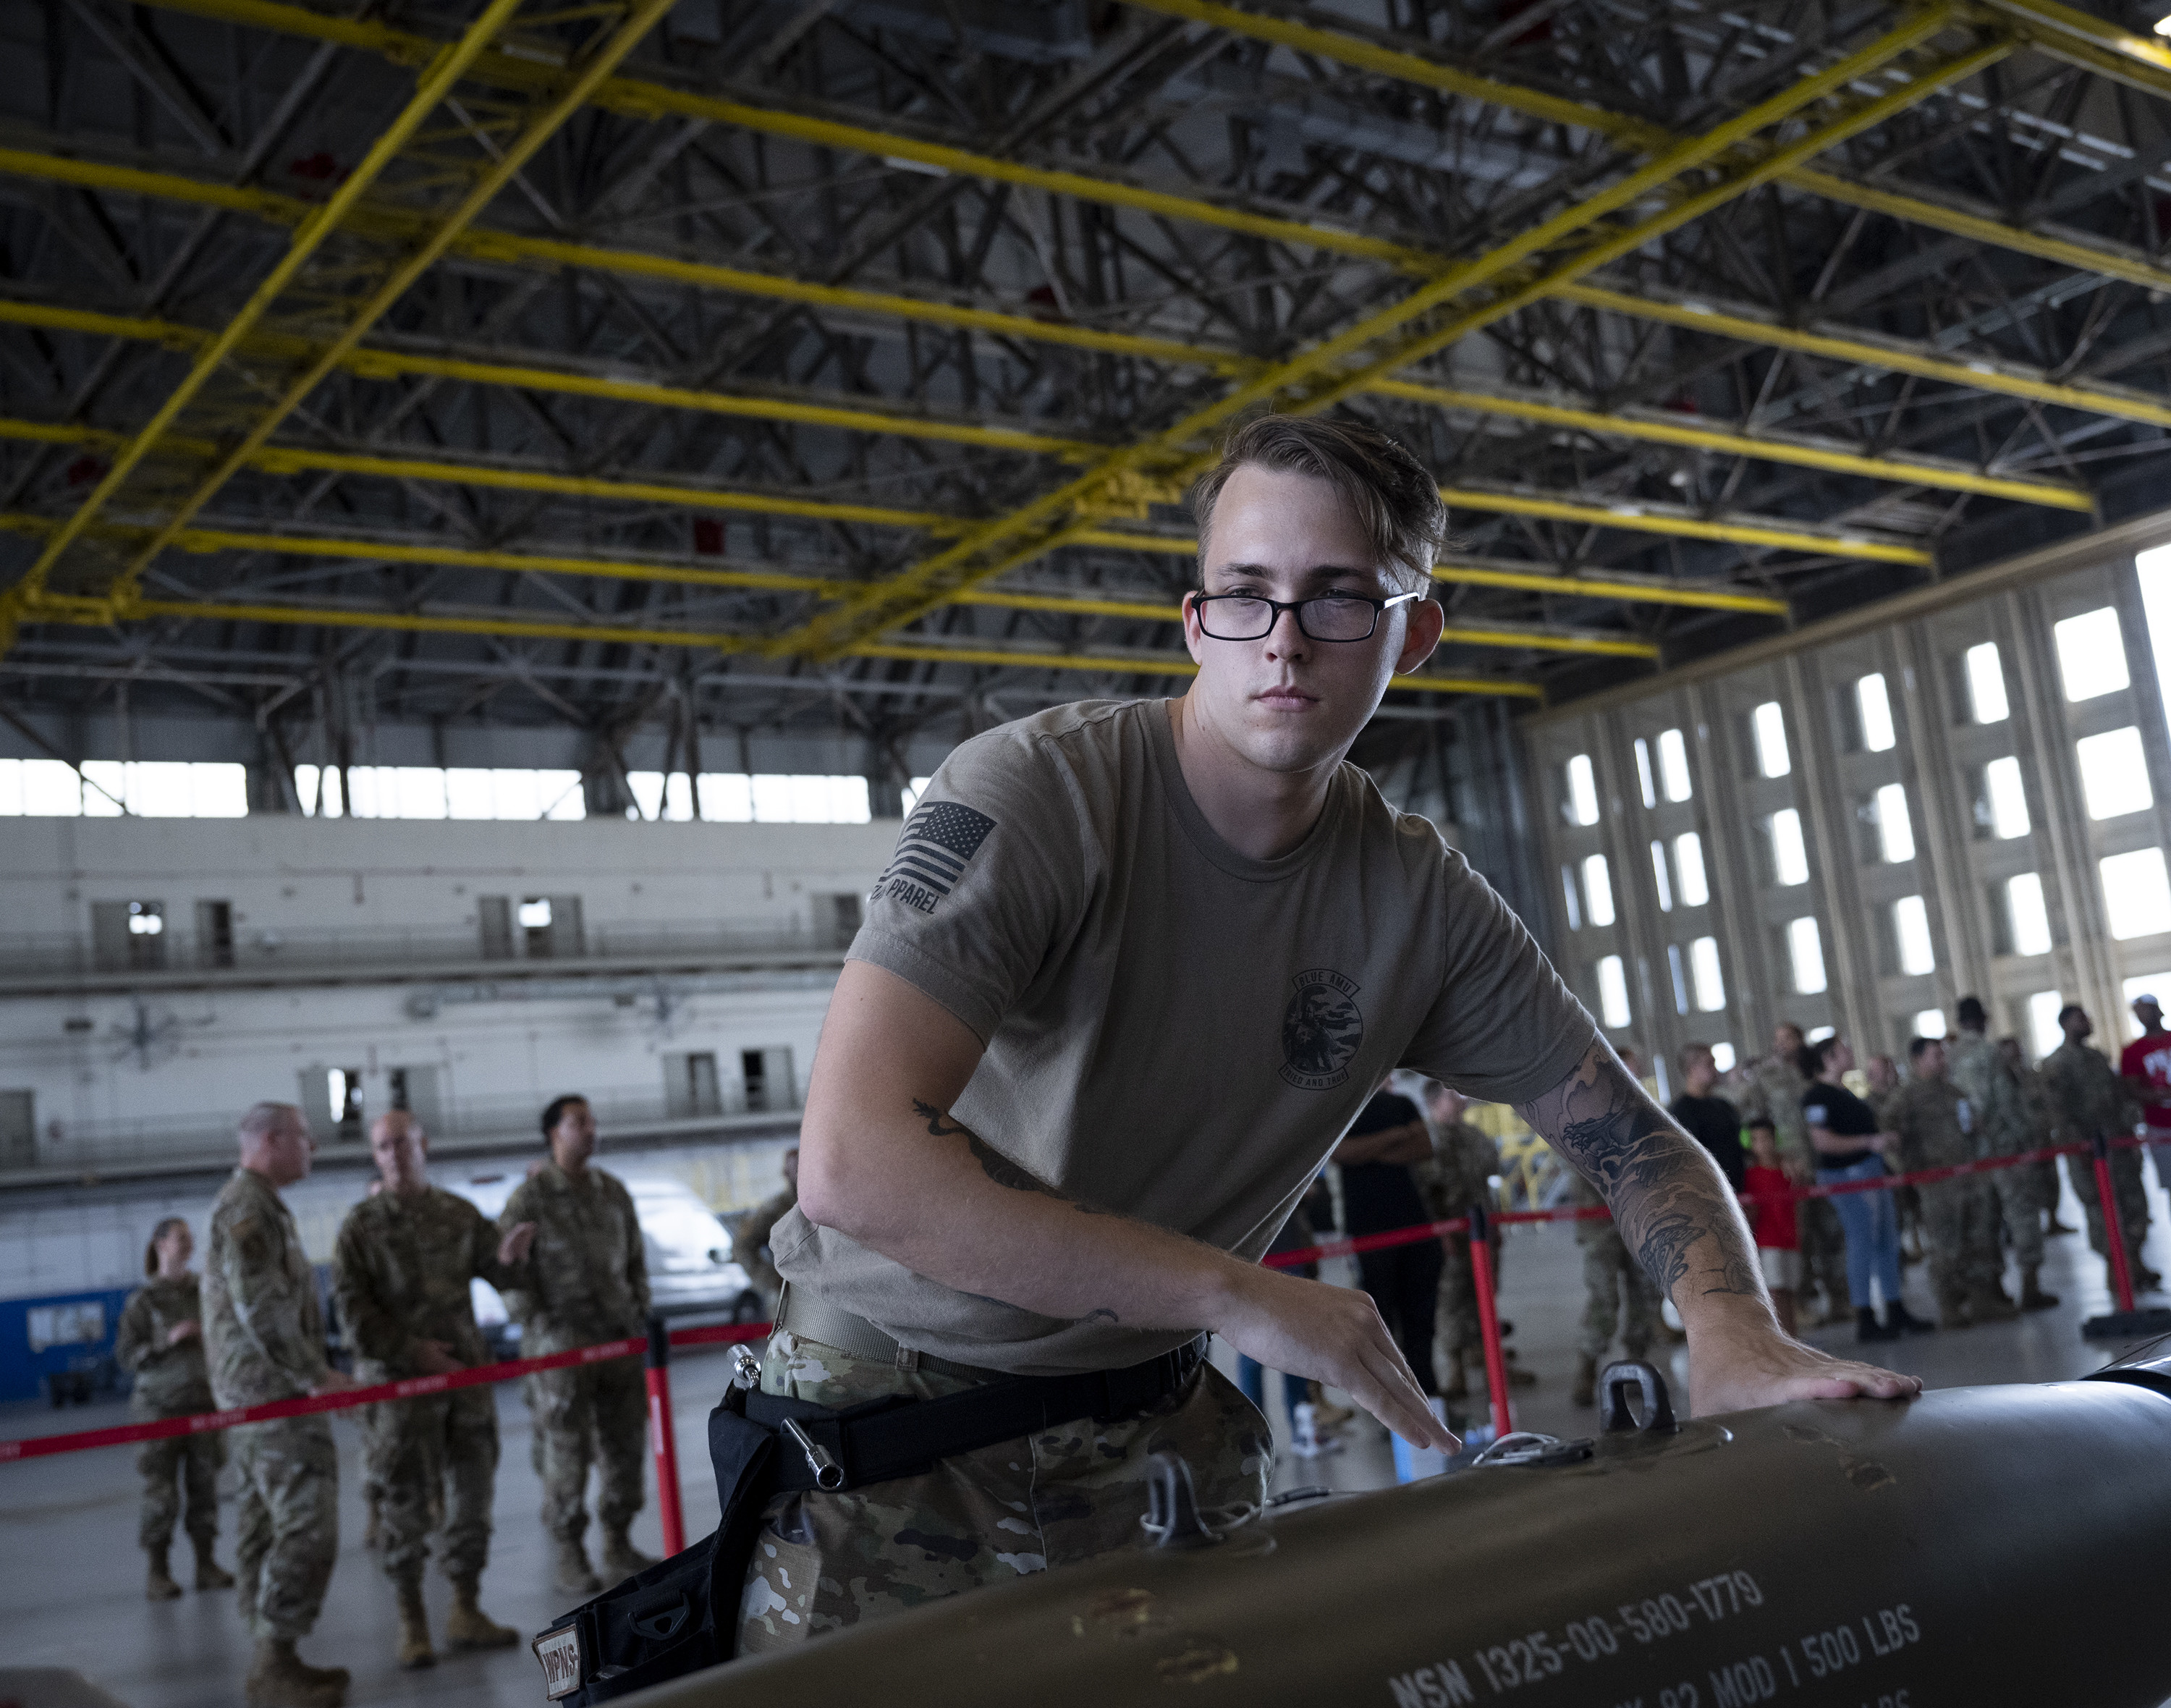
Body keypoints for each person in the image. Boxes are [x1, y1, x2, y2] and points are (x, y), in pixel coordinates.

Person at [746, 415, 1916, 1652]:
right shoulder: (1040, 794)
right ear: (1198, 622)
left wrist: (1730, 1331)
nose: (1287, 640)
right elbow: (856, 1161)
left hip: (1159, 1439)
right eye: (1247, 596)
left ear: (1412, 632)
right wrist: (1239, 1296)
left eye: (1339, 597)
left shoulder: (1416, 898)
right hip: (895, 1440)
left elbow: (1633, 1138)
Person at [331, 1111, 538, 1669]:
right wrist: (411, 1353)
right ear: (375, 1157)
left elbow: (502, 1275)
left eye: (402, 1143)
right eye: (382, 1147)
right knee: (404, 1509)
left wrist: (515, 1257)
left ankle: (465, 1609)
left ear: (423, 1145)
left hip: (465, 1384)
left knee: (472, 1499)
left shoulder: (457, 1214)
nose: (394, 1154)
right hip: (401, 1393)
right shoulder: (360, 1226)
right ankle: (411, 1623)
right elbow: (353, 1316)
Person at [202, 1102, 360, 1708]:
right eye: (303, 1137)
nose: (313, 1146)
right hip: (274, 1394)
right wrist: (316, 1375)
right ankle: (272, 1663)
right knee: (307, 1523)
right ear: (270, 1141)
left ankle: (275, 1659)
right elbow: (260, 1309)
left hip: (260, 1393)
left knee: (264, 1526)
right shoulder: (249, 1208)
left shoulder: (258, 1204)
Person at [499, 1094, 655, 1596]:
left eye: (591, 1121)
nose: (590, 1129)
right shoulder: (531, 1199)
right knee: (568, 1451)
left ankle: (619, 1541)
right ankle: (569, 1553)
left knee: (625, 1443)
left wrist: (638, 1313)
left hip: (618, 1338)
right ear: (554, 1133)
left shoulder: (612, 1192)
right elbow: (509, 1274)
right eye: (578, 1122)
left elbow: (635, 1261)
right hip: (562, 1348)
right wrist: (538, 1328)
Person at [115, 1217, 234, 1601]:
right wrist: (167, 1341)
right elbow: (126, 1356)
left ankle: (206, 1565)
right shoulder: (143, 1301)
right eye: (180, 1238)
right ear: (161, 1244)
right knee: (161, 1494)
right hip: (158, 1411)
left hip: (203, 1404)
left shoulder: (206, 1291)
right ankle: (158, 1573)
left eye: (190, 1238)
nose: (188, 1244)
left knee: (205, 1489)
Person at [1800, 1037, 1931, 1341]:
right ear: (1829, 1058)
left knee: (1887, 1238)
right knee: (1861, 1241)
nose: (1850, 1052)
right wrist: (1870, 1143)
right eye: (1843, 1049)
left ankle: (1895, 1307)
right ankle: (1865, 1315)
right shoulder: (1817, 1096)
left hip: (1871, 1171)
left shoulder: (1846, 1093)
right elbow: (1823, 1142)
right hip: (1845, 1176)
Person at [1887, 1037, 2013, 1329]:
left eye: (1942, 1055)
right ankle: (1950, 1304)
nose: (1942, 1060)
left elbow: (1970, 1125)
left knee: (1979, 1239)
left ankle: (1982, 1299)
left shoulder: (1953, 1091)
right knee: (1946, 1244)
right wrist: (1909, 1171)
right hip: (1937, 1184)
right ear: (1917, 1060)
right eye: (1934, 1056)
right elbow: (1889, 1134)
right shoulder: (1906, 1096)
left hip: (1968, 1177)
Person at [1334, 1084, 1444, 1397]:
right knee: (1379, 1321)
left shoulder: (1402, 1103)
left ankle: (1427, 1393)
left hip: (1414, 1226)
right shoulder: (1343, 1105)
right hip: (1369, 1232)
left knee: (1421, 1316)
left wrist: (1366, 1152)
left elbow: (1424, 1147)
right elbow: (1341, 1153)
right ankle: (1391, 1397)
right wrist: (1393, 1137)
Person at [1738, 1023, 1849, 1325]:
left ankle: (1841, 1299)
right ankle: (1800, 1304)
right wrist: (1779, 1155)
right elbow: (1755, 1124)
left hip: (1823, 1165)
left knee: (1831, 1232)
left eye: (1789, 1038)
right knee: (1797, 1238)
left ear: (1801, 1042)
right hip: (1787, 1171)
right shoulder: (1767, 1078)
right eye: (1778, 1039)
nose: (1783, 1044)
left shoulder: (1815, 1073)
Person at [1950, 998, 2056, 1310]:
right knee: (2022, 1214)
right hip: (2004, 1150)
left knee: (1985, 1222)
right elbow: (2007, 1101)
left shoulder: (1950, 1057)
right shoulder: (1990, 1053)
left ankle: (1993, 1290)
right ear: (1983, 1019)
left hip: (1971, 1156)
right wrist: (2025, 1139)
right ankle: (2030, 1287)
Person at [2043, 1005, 2158, 1291]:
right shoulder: (2057, 1063)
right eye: (2082, 1018)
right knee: (2102, 1209)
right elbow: (2057, 1111)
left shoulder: (2096, 1057)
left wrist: (2129, 1127)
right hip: (2090, 1152)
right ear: (2066, 1024)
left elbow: (2118, 1096)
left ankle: (2135, 1262)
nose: (2088, 1022)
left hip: (2117, 1145)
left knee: (2134, 1203)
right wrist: (2078, 1147)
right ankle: (2115, 1269)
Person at [1417, 1083, 1518, 1402]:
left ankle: (1493, 1367)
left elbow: (1487, 1184)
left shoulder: (1473, 1136)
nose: (1461, 1099)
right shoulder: (1426, 1140)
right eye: (1452, 1095)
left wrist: (1496, 1224)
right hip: (1452, 1232)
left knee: (1485, 1297)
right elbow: (1427, 1193)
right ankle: (1455, 1370)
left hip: (1481, 1229)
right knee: (1452, 1300)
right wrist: (1442, 1233)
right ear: (1435, 1101)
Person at [2005, 1036, 2077, 1235]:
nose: (2015, 1053)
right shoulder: (2003, 1082)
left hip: (2043, 1136)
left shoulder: (2032, 1076)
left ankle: (2054, 1219)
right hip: (2021, 1143)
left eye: (2017, 1048)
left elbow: (2047, 1101)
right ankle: (2031, 1229)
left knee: (2051, 1181)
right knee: (2027, 1187)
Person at [1861, 1053, 1921, 1267]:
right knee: (1893, 1223)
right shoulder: (1866, 1105)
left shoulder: (1907, 1097)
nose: (1889, 1074)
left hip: (1915, 1165)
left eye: (1890, 1068)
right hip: (1887, 1171)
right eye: (1882, 1070)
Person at [1741, 1124, 1798, 1336]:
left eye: (1766, 1138)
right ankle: (1783, 1338)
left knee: (1789, 1290)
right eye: (1756, 1140)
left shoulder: (1788, 1170)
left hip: (1790, 1238)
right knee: (1775, 1290)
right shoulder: (1751, 1175)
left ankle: (1793, 1337)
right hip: (1767, 1239)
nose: (1763, 1144)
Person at [1669, 1043, 1744, 1193]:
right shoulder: (1680, 1113)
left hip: (1738, 1190)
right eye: (1709, 1064)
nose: (1715, 1070)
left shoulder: (1724, 1106)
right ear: (1692, 1069)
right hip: (1707, 1192)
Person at [735, 1147, 798, 1314]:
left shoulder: (825, 1204)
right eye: (796, 1167)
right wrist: (769, 1279)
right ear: (786, 1172)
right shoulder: (774, 1209)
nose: (800, 1173)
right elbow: (743, 1246)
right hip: (787, 1296)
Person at [2120, 994, 2171, 1196]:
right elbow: (2132, 1090)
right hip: (2159, 1127)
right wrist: (2161, 1094)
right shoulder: (2133, 1051)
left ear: (2158, 1010)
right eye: (2137, 1012)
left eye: (2145, 1009)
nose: (2142, 1015)